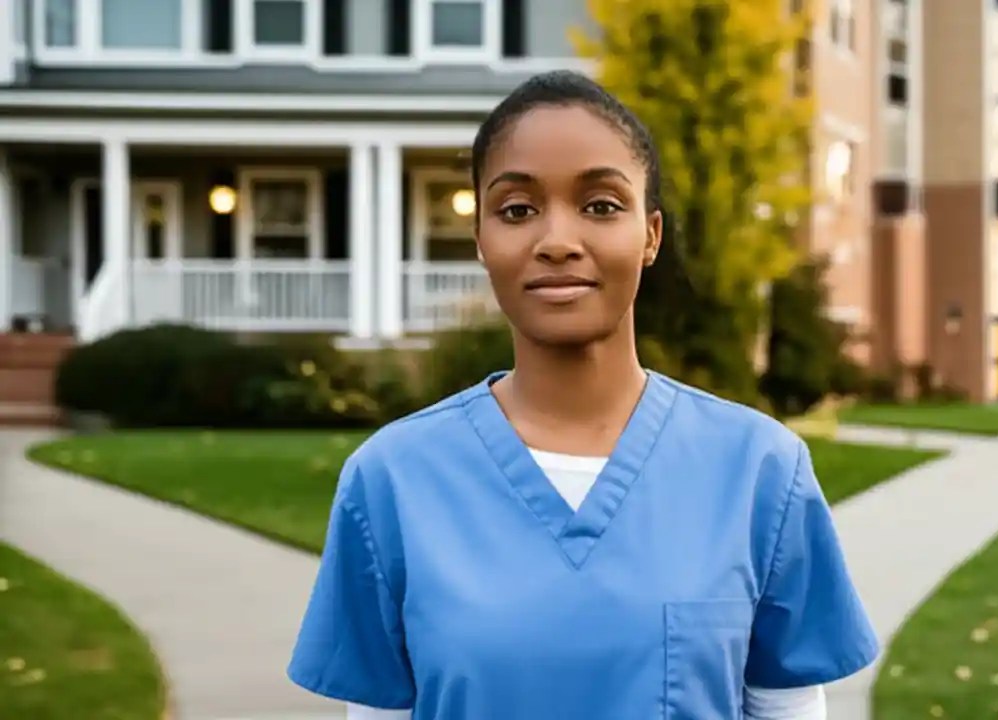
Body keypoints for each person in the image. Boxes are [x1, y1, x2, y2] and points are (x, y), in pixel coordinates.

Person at [287, 70, 879, 720]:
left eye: (600, 205)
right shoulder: (392, 481)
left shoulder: (760, 470)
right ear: (481, 240)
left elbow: (787, 708)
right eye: (517, 210)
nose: (559, 241)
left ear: (650, 235)